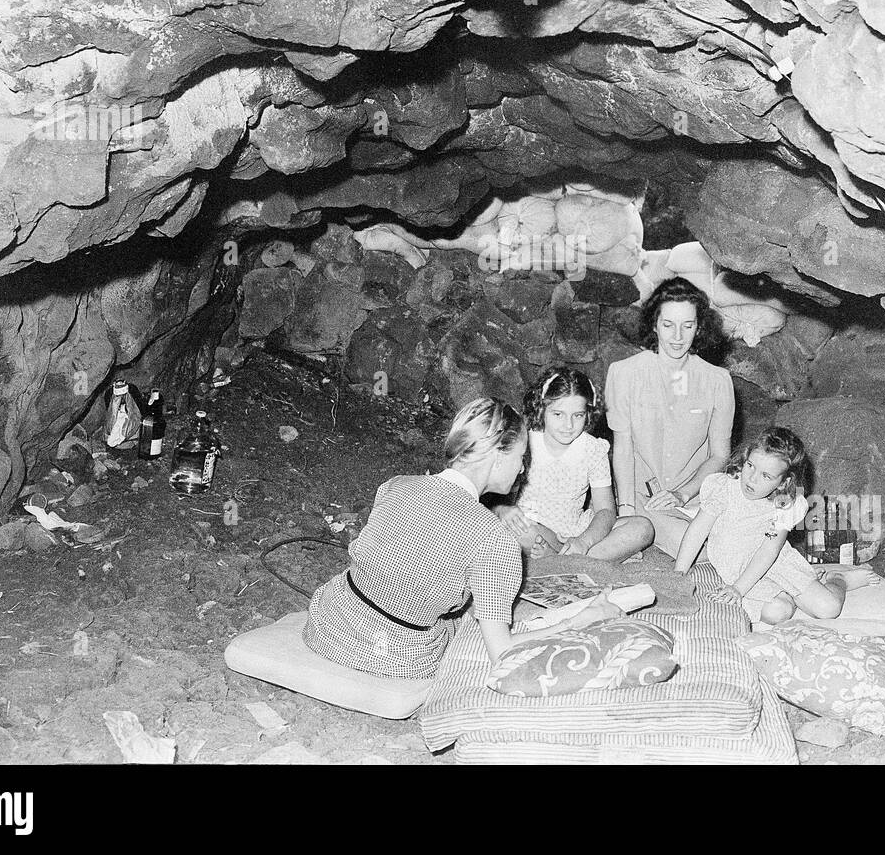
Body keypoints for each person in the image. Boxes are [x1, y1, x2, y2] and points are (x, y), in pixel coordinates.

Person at [303, 397, 619, 677]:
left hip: (326, 624)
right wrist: (578, 621)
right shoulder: (494, 538)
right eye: (521, 457)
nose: (522, 470)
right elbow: (502, 652)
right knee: (468, 628)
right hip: (393, 656)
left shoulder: (396, 484)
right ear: (498, 455)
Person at [674, 427, 879, 624]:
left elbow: (770, 550)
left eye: (766, 476)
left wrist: (738, 589)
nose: (752, 479)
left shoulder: (785, 504)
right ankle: (792, 594)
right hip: (737, 567)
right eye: (750, 465)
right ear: (745, 458)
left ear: (783, 482)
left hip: (775, 562)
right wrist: (679, 575)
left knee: (829, 608)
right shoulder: (724, 488)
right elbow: (696, 531)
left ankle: (838, 579)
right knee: (778, 613)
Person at [605, 276, 734, 556]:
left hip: (695, 496)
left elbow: (719, 455)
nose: (677, 337)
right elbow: (623, 447)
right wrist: (626, 510)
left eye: (687, 326)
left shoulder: (719, 381)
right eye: (668, 325)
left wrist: (684, 493)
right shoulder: (623, 373)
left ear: (699, 327)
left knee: (741, 541)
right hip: (643, 499)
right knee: (698, 549)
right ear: (654, 324)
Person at [494, 367, 654, 562]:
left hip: (577, 530)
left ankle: (561, 559)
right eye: (558, 415)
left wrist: (583, 542)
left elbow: (606, 510)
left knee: (642, 528)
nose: (568, 425)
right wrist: (503, 510)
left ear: (588, 413)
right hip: (535, 529)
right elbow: (493, 498)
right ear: (542, 409)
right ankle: (581, 561)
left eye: (577, 415)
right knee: (515, 529)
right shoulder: (526, 443)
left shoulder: (593, 449)